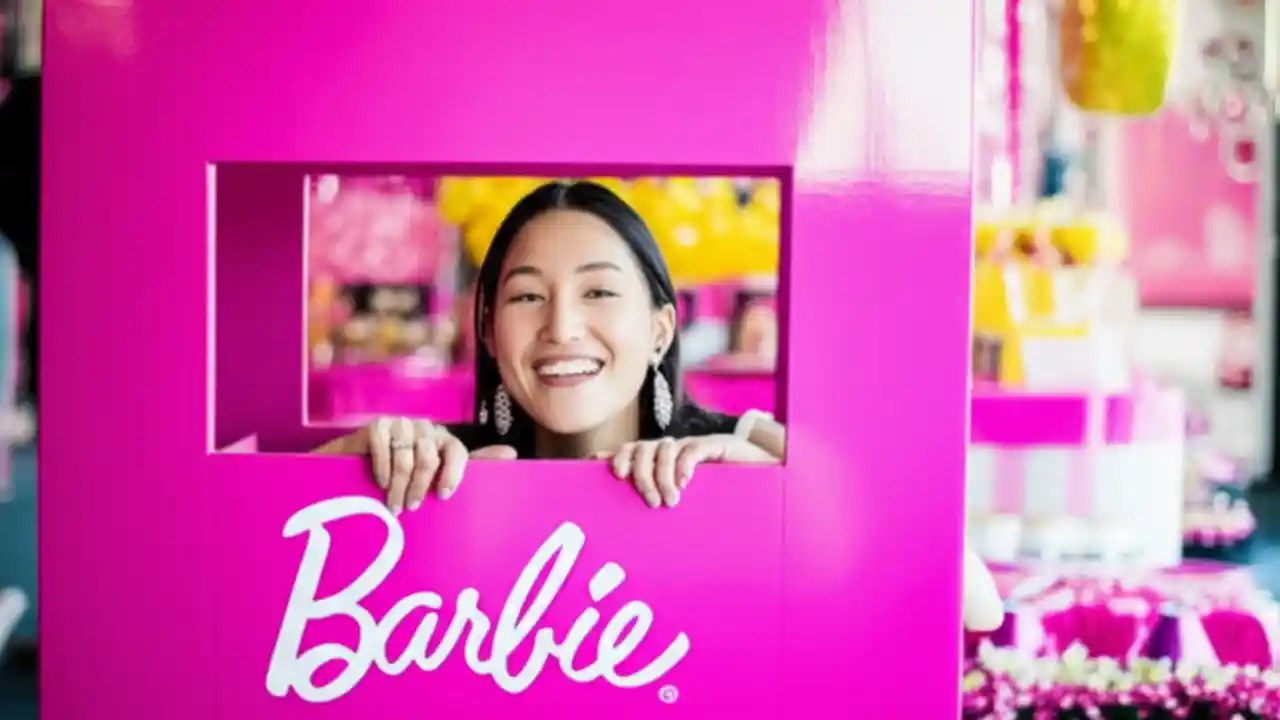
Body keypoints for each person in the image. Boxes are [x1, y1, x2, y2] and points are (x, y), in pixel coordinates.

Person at [316, 179, 1004, 631]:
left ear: (660, 328)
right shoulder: (438, 470)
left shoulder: (735, 455)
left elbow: (974, 606)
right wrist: (351, 462)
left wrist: (779, 480)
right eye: (527, 296)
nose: (562, 326)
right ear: (490, 332)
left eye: (598, 292)